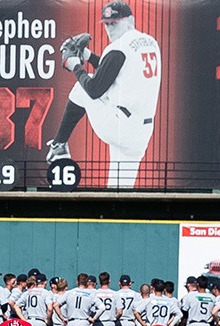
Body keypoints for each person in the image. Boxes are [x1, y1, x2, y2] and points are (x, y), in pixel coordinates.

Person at [48, 1, 162, 188]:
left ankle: (58, 145)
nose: (110, 28)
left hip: (120, 126)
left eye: (114, 23)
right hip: (141, 132)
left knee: (82, 89)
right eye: (107, 24)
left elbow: (93, 89)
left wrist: (75, 65)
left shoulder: (118, 48)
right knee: (117, 193)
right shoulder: (151, 42)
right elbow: (112, 70)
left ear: (130, 20)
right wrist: (87, 55)